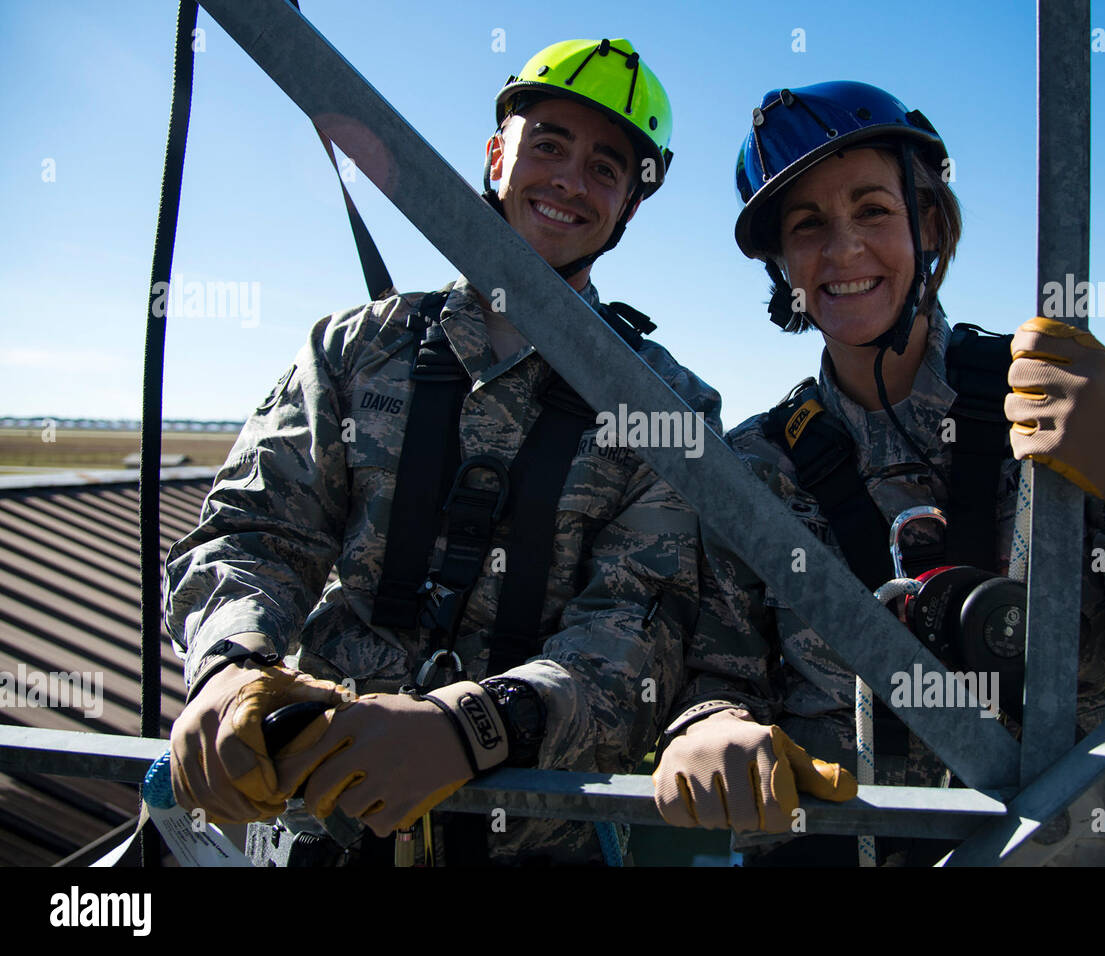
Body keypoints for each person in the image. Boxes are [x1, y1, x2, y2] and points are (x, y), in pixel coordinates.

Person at [652, 81, 1105, 865]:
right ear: (781, 268)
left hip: (1079, 843)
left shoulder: (1063, 390)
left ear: (928, 220)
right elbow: (719, 664)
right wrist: (711, 724)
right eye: (807, 227)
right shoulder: (758, 466)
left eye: (873, 209)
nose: (842, 250)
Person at [164, 38, 721, 867]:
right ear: (497, 155)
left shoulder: (665, 406)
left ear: (630, 206)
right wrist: (230, 667)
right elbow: (253, 533)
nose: (571, 179)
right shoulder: (355, 350)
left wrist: (477, 725)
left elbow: (639, 635)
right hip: (321, 828)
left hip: (531, 842)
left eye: (607, 167)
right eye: (549, 145)